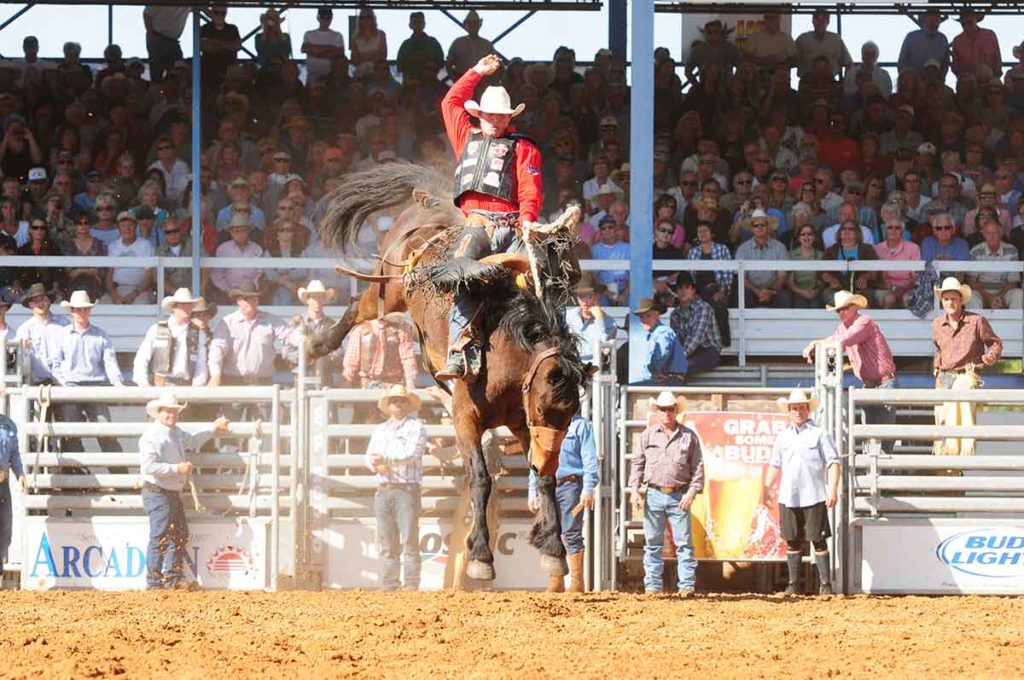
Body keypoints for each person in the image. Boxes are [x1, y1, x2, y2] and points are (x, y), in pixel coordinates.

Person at [435, 53, 543, 380]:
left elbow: (529, 187)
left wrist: (527, 219)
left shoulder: (524, 147)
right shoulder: (465, 136)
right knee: (460, 275)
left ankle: (548, 347)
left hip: (512, 226)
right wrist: (476, 71)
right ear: (480, 115)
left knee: (540, 280)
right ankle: (460, 349)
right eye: (490, 115)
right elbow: (450, 102)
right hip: (477, 224)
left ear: (509, 118)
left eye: (501, 116)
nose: (496, 120)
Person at [140, 394, 229, 590]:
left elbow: (194, 441)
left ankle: (170, 578)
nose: (172, 414)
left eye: (174, 411)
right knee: (161, 536)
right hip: (159, 491)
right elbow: (148, 466)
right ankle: (156, 582)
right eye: (168, 411)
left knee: (177, 534)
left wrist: (213, 429)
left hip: (167, 491)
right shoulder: (153, 436)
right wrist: (176, 469)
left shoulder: (175, 433)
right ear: (159, 413)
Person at [628, 391, 704, 595]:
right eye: (663, 409)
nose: (667, 413)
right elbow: (638, 464)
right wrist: (634, 490)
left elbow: (698, 467)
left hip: (679, 495)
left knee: (683, 543)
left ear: (676, 411)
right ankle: (653, 585)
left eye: (670, 409)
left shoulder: (689, 436)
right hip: (654, 493)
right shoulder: (648, 435)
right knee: (653, 543)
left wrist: (691, 493)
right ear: (658, 412)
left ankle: (686, 585)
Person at [765, 388, 840, 596]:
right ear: (789, 411)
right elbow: (775, 464)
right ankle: (793, 584)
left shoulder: (819, 433)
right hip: (789, 495)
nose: (798, 412)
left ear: (808, 410)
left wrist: (832, 488)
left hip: (814, 494)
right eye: (794, 408)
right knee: (792, 540)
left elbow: (833, 462)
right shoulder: (782, 437)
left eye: (801, 408)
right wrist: (766, 487)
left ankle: (825, 585)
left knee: (818, 539)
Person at [364, 385, 427, 591]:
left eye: (401, 401)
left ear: (408, 405)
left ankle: (410, 586)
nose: (397, 404)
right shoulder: (380, 429)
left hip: (406, 489)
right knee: (387, 540)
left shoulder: (417, 427)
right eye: (394, 401)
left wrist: (384, 461)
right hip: (385, 488)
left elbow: (412, 455)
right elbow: (368, 456)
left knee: (409, 539)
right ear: (388, 406)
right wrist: (375, 465)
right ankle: (390, 584)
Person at [528, 412, 599, 593]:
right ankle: (557, 579)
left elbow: (590, 459)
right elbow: (535, 460)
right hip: (548, 483)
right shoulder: (544, 427)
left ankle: (576, 581)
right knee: (551, 532)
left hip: (570, 484)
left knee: (570, 532)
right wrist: (532, 490)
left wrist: (588, 488)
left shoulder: (581, 426)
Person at [52, 290, 124, 455]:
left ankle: (119, 472)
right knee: (72, 434)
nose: (81, 313)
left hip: (95, 386)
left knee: (105, 431)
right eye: (78, 309)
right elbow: (55, 364)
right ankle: (77, 473)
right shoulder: (62, 335)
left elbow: (110, 363)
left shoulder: (101, 335)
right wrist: (64, 384)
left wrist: (117, 382)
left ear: (89, 311)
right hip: (71, 386)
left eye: (84, 309)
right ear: (72, 311)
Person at [208, 280, 291, 389]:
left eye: (254, 299)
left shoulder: (271, 320)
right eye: (246, 299)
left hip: (264, 383)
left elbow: (288, 333)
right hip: (234, 383)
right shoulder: (227, 323)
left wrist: (303, 340)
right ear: (238, 301)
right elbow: (216, 350)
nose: (250, 302)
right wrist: (215, 375)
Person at [932, 277, 1003, 387]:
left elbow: (995, 343)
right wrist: (936, 366)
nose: (949, 303)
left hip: (968, 375)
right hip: (943, 376)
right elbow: (939, 349)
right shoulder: (937, 324)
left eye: (953, 299)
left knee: (964, 399)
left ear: (961, 300)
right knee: (943, 404)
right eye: (946, 299)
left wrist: (988, 358)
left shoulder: (977, 321)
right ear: (942, 301)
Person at [133, 288, 208, 387]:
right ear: (174, 307)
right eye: (182, 304)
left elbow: (201, 363)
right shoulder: (157, 329)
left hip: (187, 385)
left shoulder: (198, 333)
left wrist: (197, 386)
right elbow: (142, 357)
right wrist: (144, 384)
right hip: (160, 384)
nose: (186, 307)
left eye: (189, 305)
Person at [283, 280, 344, 385]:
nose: (317, 301)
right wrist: (305, 357)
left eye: (321, 297)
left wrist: (323, 358)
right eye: (314, 297)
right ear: (308, 300)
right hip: (301, 378)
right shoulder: (297, 322)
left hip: (324, 378)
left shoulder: (332, 325)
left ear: (325, 300)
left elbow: (339, 352)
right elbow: (287, 351)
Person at [341, 317, 419, 392]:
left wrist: (411, 385)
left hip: (393, 387)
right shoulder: (360, 329)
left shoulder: (401, 329)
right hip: (365, 387)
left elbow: (408, 359)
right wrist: (345, 386)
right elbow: (350, 365)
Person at [14, 283, 69, 385]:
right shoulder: (24, 329)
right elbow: (19, 359)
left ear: (49, 301)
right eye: (36, 301)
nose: (40, 304)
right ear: (30, 304)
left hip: (63, 382)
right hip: (36, 384)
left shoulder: (64, 324)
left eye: (43, 299)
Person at [669, 273, 722, 376]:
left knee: (682, 365)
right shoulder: (675, 314)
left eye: (687, 288)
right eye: (680, 288)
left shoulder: (703, 308)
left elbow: (696, 337)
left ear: (693, 290)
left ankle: (671, 387)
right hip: (689, 351)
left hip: (709, 351)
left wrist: (678, 359)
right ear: (676, 291)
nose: (683, 291)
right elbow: (676, 340)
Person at [968, 218, 1023, 309]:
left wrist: (998, 298)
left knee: (1018, 294)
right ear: (983, 235)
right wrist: (990, 299)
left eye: (995, 233)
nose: (991, 236)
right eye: (988, 233)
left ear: (1001, 233)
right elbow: (972, 282)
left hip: (1004, 292)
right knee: (971, 296)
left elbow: (1013, 282)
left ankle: (1014, 324)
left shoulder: (1011, 250)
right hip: (983, 293)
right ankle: (976, 323)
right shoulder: (976, 251)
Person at [103, 211, 155, 304]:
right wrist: (114, 295)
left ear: (135, 226)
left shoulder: (146, 245)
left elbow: (149, 276)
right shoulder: (113, 246)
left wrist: (134, 294)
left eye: (130, 225)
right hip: (118, 288)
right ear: (118, 228)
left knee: (143, 306)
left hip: (140, 290)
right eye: (123, 225)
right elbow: (108, 276)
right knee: (102, 305)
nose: (127, 228)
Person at [633, 297, 687, 384]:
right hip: (667, 379)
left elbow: (661, 355)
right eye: (642, 317)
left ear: (657, 315)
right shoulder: (656, 333)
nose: (644, 320)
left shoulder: (662, 332)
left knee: (627, 390)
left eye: (648, 316)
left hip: (669, 380)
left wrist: (655, 373)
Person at [0, 409, 27, 575]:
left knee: (5, 527)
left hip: (2, 485)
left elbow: (14, 453)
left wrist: (20, 473)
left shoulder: (8, 424)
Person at [565, 276, 615, 364]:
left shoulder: (609, 322)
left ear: (597, 296)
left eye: (589, 296)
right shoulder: (568, 317)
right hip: (572, 366)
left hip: (594, 368)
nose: (584, 301)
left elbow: (605, 351)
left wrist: (600, 321)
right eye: (580, 296)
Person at [143, 5, 189, 83]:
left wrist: (214, 16)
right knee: (157, 71)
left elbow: (203, 8)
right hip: (158, 37)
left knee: (177, 70)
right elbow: (147, 14)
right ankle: (156, 91)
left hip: (173, 42)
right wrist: (151, 34)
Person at [445, 10, 494, 81]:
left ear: (479, 25)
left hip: (482, 82)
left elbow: (495, 65)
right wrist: (455, 80)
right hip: (463, 80)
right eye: (471, 24)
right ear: (466, 25)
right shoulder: (458, 43)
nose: (473, 26)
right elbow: (449, 64)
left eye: (475, 23)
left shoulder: (487, 45)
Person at [302, 6, 346, 85]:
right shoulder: (309, 34)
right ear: (318, 18)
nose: (325, 20)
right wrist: (329, 48)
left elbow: (340, 53)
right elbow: (305, 49)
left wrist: (315, 51)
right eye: (323, 17)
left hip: (332, 78)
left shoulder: (338, 35)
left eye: (328, 17)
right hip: (312, 78)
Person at [397, 12, 444, 78]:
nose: (417, 25)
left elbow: (440, 62)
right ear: (410, 25)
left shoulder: (433, 43)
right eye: (415, 23)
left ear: (424, 24)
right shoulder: (405, 45)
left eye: (419, 22)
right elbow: (399, 66)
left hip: (429, 80)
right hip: (411, 81)